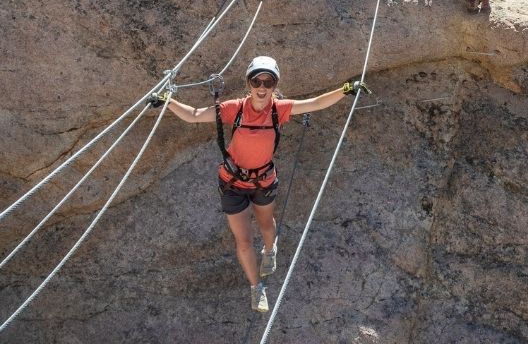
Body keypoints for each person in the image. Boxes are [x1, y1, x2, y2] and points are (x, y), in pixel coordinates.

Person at [156, 56, 369, 313]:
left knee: (266, 226)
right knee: (244, 241)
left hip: (263, 181)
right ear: (249, 82)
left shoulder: (279, 109)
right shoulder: (235, 108)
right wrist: (167, 100)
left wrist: (345, 90)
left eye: (269, 81)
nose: (262, 86)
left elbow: (316, 103)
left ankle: (270, 250)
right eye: (257, 80)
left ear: (275, 84)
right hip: (232, 183)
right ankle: (256, 288)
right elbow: (194, 116)